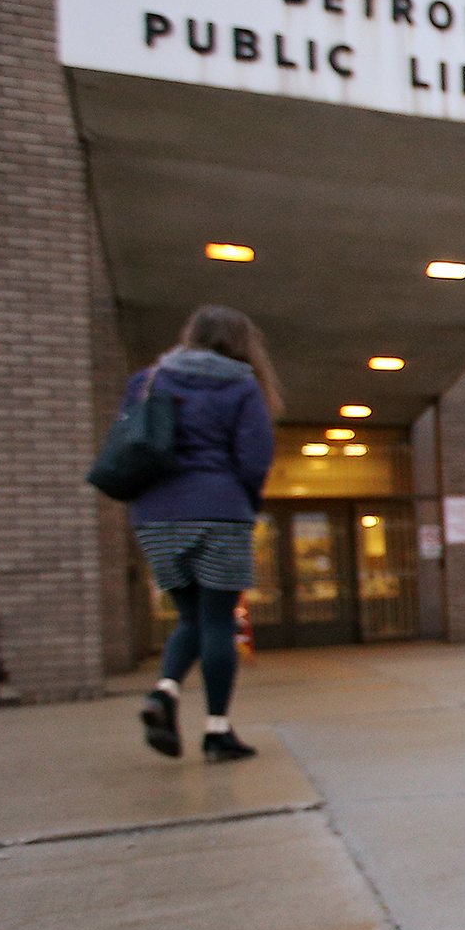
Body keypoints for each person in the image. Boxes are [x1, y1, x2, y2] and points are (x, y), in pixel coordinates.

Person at [121, 305, 279, 761]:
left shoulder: (148, 380)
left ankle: (164, 692)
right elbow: (254, 457)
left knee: (190, 618)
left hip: (154, 515)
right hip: (218, 510)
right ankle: (216, 732)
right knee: (217, 621)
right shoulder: (240, 385)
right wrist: (245, 502)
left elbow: (131, 440)